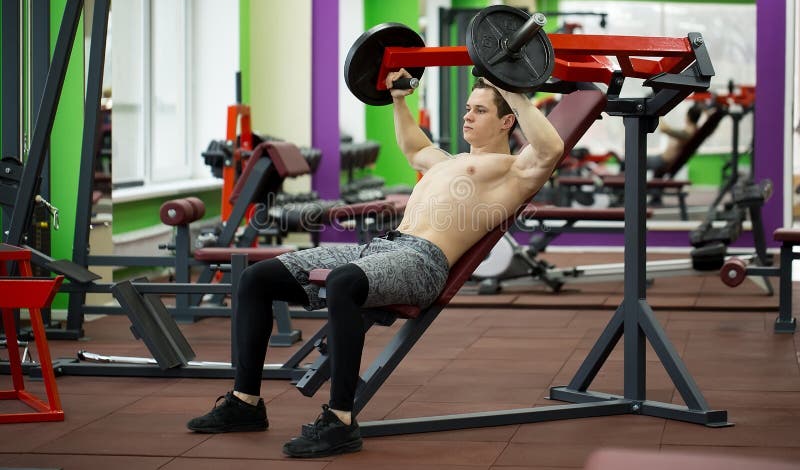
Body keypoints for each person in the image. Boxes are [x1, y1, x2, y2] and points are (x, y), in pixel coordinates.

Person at [186, 68, 564, 458]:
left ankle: (340, 421)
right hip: (381, 247)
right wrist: (399, 99)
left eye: (480, 110)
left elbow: (551, 149)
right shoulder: (450, 161)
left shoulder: (513, 172)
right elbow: (415, 148)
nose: (467, 115)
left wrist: (509, 86)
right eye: (468, 108)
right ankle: (245, 402)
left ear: (506, 120)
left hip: (423, 261)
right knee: (256, 279)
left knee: (343, 283)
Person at [646, 103, 703, 173]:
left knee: (638, 161)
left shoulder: (687, 134)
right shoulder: (693, 131)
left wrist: (657, 114)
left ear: (687, 117)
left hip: (663, 161)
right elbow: (668, 129)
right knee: (640, 160)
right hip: (662, 159)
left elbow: (664, 129)